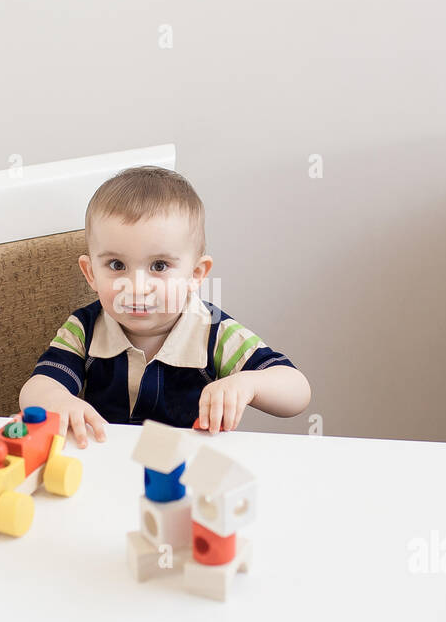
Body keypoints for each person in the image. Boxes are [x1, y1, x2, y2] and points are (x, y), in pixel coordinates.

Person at [18, 165, 311, 447]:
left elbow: (297, 392)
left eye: (159, 265)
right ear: (91, 273)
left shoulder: (214, 331)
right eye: (117, 265)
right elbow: (36, 387)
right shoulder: (85, 327)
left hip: (186, 471)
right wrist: (58, 401)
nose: (137, 286)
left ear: (195, 274)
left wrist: (248, 385)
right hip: (104, 460)